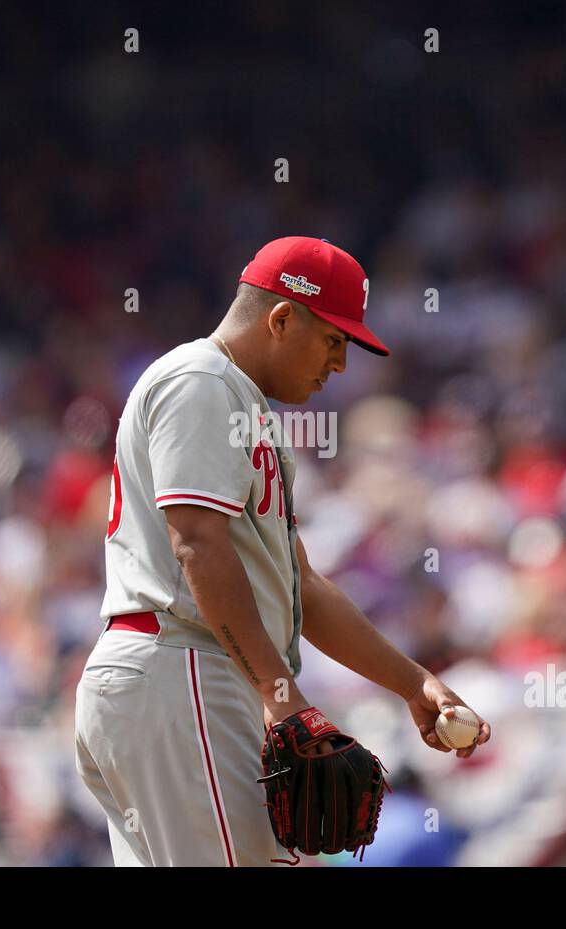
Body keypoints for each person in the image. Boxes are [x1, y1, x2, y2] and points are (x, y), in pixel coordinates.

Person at [73, 236, 491, 866]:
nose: (341, 364)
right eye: (333, 340)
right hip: (180, 665)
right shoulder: (201, 381)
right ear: (281, 318)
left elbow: (302, 585)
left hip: (186, 674)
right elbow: (197, 544)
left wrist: (412, 683)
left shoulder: (245, 407)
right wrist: (280, 694)